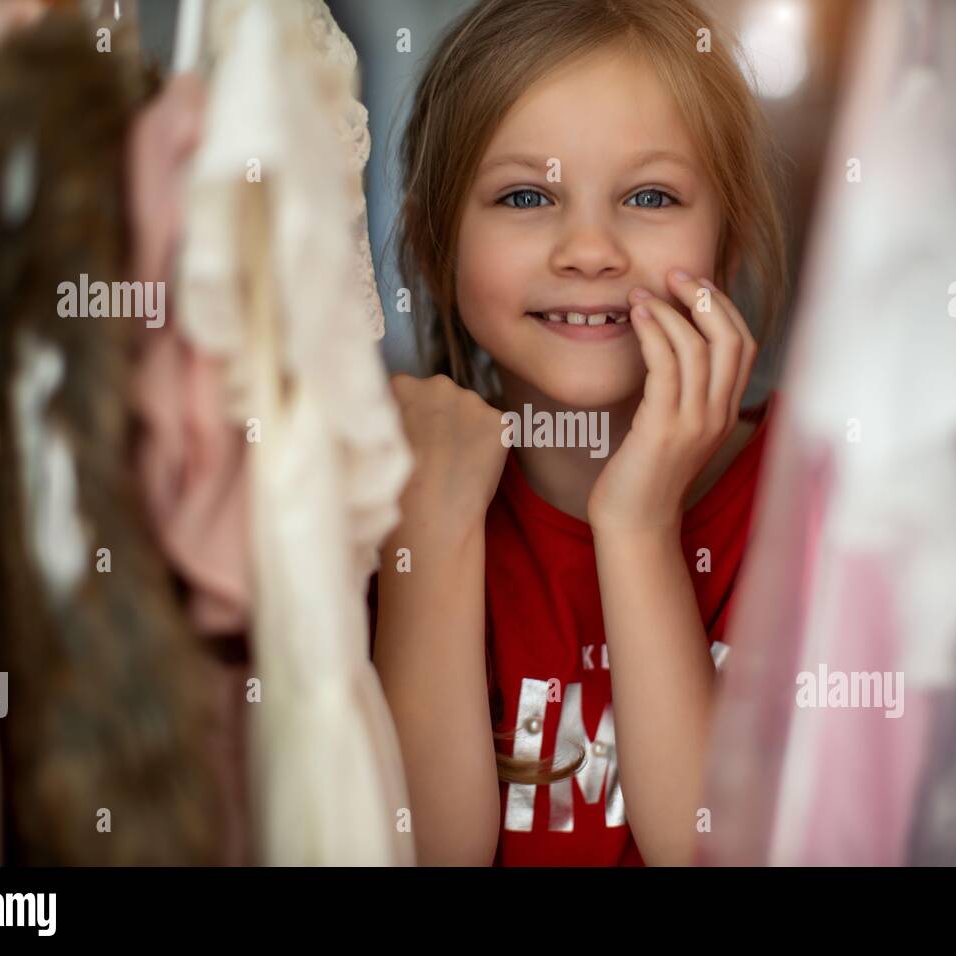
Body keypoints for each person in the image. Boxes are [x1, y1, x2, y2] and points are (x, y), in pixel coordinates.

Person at [374, 0, 785, 866]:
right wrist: (428, 537)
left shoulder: (808, 495)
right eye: (527, 195)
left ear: (730, 238)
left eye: (649, 196)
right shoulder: (386, 498)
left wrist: (639, 524)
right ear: (431, 238)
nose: (590, 249)